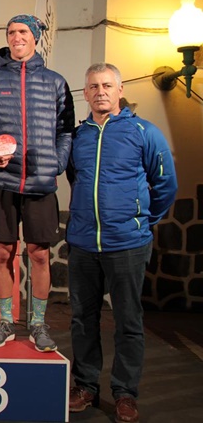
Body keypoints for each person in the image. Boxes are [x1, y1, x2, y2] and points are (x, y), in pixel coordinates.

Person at [65, 63, 177, 423]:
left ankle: (126, 393)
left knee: (128, 321)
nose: (101, 91)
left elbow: (165, 185)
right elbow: (74, 177)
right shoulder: (78, 136)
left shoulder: (145, 132)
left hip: (128, 243)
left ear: (120, 89)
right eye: (94, 86)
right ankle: (85, 386)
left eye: (107, 85)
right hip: (83, 243)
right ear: (85, 93)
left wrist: (141, 221)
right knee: (83, 319)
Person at [0, 14, 74, 352]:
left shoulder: (56, 82)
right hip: (1, 181)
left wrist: (57, 162)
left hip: (41, 184)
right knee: (3, 253)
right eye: (11, 32)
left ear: (36, 37)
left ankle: (39, 324)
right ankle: (5, 322)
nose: (16, 37)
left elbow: (66, 131)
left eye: (23, 32)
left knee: (39, 255)